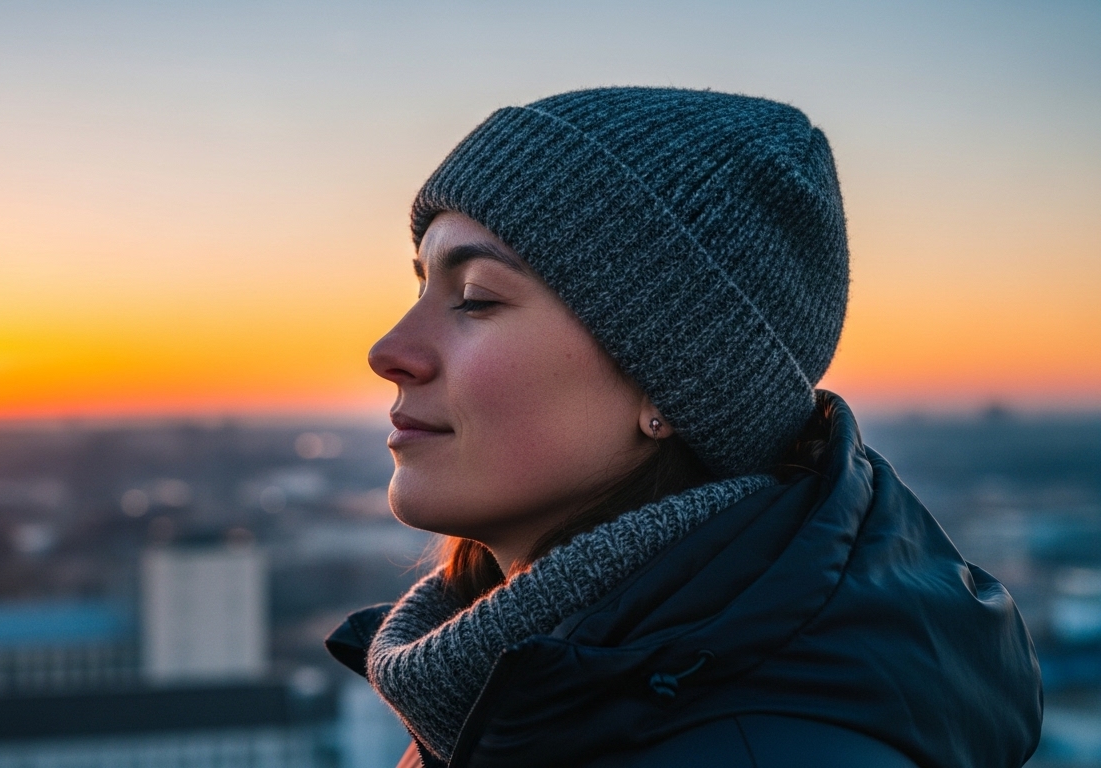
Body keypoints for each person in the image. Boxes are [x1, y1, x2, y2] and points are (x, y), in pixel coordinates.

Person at [325, 88, 1042, 768]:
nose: (389, 351)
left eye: (476, 298)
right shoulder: (493, 682)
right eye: (419, 285)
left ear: (669, 384)